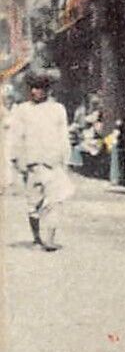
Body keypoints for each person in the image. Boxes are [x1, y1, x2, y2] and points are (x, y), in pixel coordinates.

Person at [7, 69, 73, 251]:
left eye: (39, 88)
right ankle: (37, 238)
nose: (35, 91)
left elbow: (63, 136)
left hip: (53, 163)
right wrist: (16, 160)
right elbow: (16, 136)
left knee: (54, 201)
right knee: (33, 203)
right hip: (32, 163)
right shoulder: (22, 110)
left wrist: (65, 161)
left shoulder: (57, 109)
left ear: (47, 90)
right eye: (32, 88)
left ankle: (50, 239)